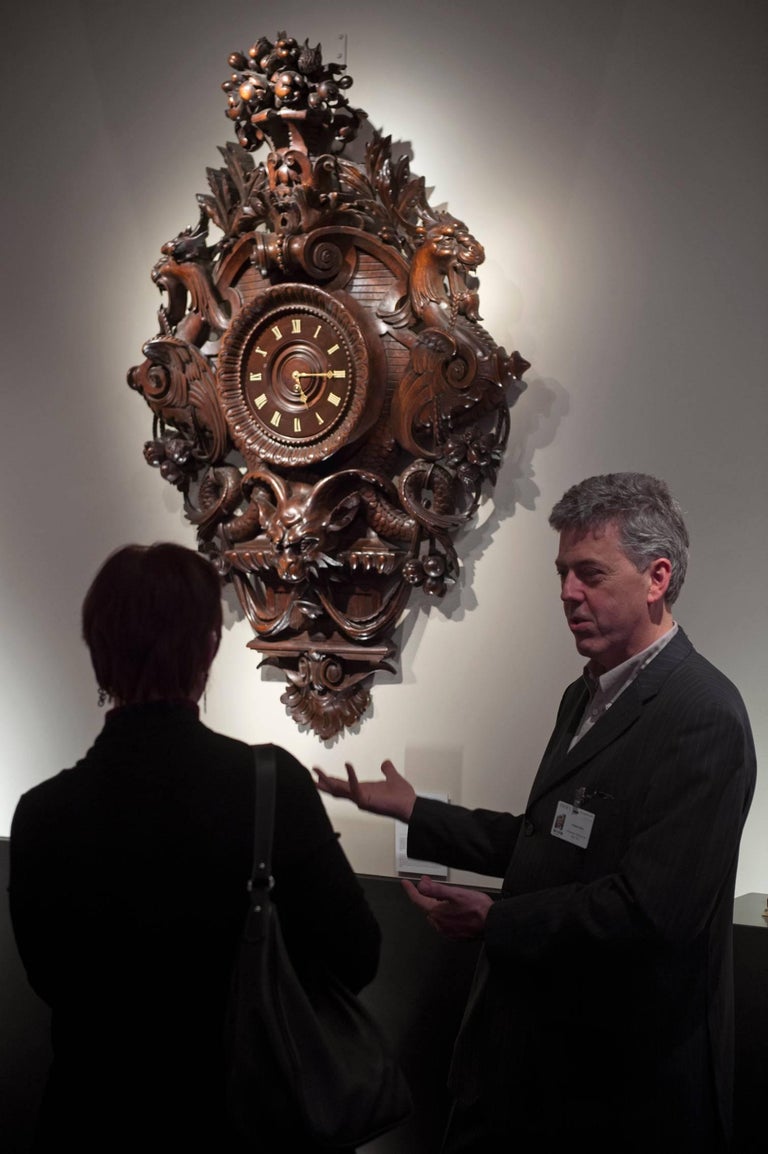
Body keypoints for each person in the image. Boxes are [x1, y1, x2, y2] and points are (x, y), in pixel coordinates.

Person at [316, 473, 756, 1154]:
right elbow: (546, 841)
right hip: (544, 1075)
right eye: (562, 574)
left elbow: (652, 912)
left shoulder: (703, 716)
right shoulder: (583, 696)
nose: (567, 594)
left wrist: (496, 920)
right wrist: (416, 812)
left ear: (656, 577)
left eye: (590, 574)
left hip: (627, 1096)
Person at [9, 543, 380, 1153]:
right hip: (242, 1119)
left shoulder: (42, 813)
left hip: (90, 1117)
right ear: (208, 646)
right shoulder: (271, 785)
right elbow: (356, 956)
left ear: (97, 650)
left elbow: (49, 978)